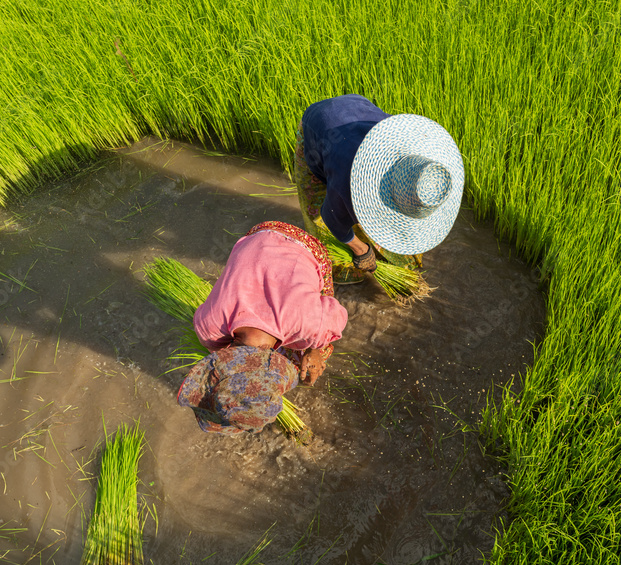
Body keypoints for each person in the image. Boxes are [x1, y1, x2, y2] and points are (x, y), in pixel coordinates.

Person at [176, 221, 346, 434]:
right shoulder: (208, 326)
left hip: (301, 245)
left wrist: (315, 351)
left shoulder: (310, 324)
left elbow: (337, 314)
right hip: (253, 240)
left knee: (321, 349)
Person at [294, 94, 465, 283]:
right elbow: (329, 216)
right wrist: (361, 250)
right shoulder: (349, 179)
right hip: (319, 126)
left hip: (358, 108)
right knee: (315, 210)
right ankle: (340, 270)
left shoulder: (421, 160)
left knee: (355, 214)